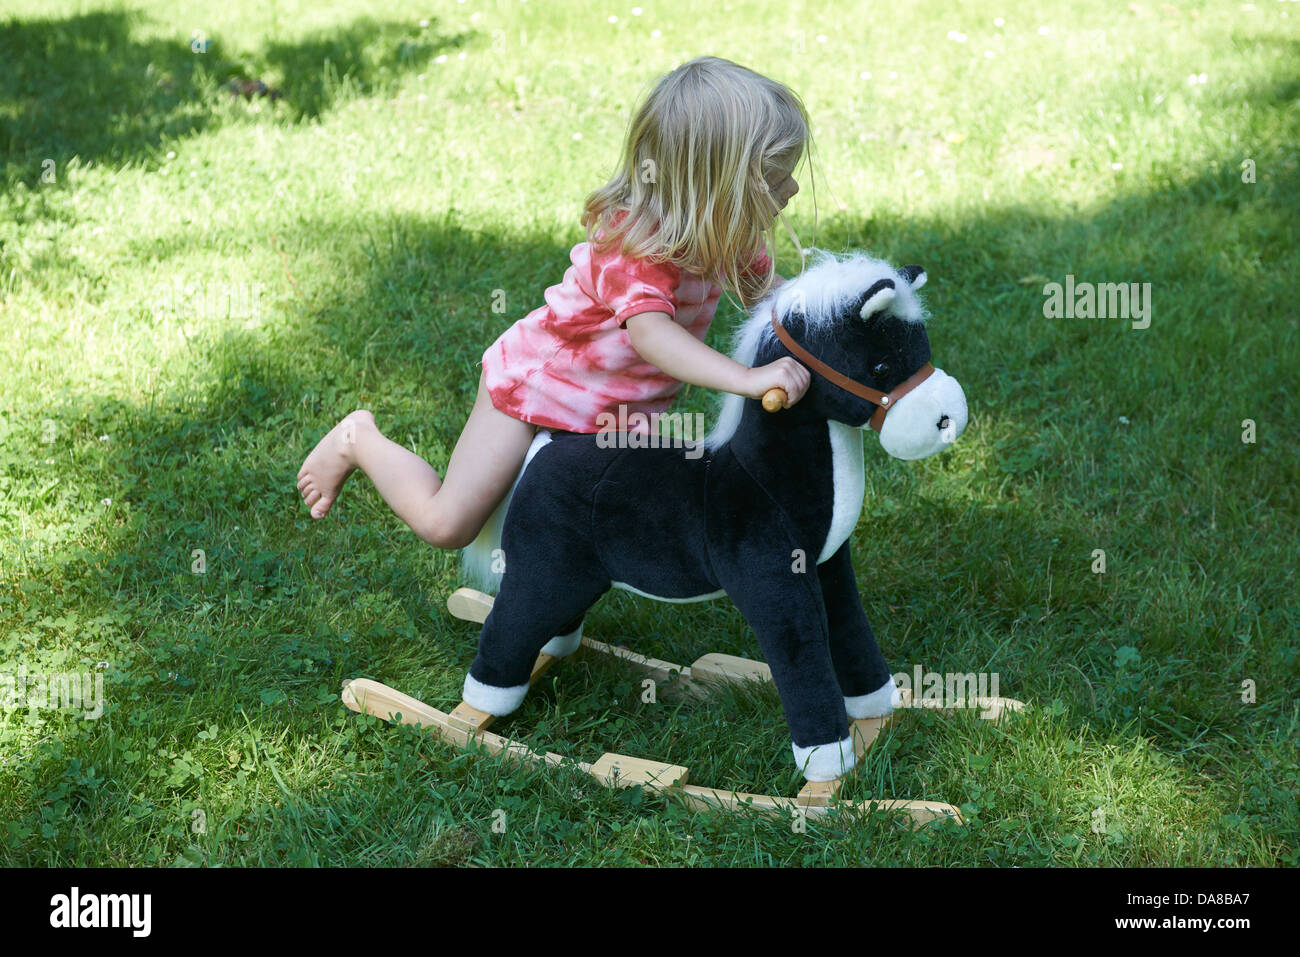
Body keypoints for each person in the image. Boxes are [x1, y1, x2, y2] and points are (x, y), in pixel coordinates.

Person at [296, 56, 815, 548]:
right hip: (537, 388)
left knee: (611, 522)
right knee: (447, 524)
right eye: (774, 178)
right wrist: (746, 380)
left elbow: (772, 306)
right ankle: (357, 438)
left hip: (619, 415)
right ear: (712, 185)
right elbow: (652, 335)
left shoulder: (726, 233)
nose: (790, 188)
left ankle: (556, 610)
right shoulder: (636, 247)